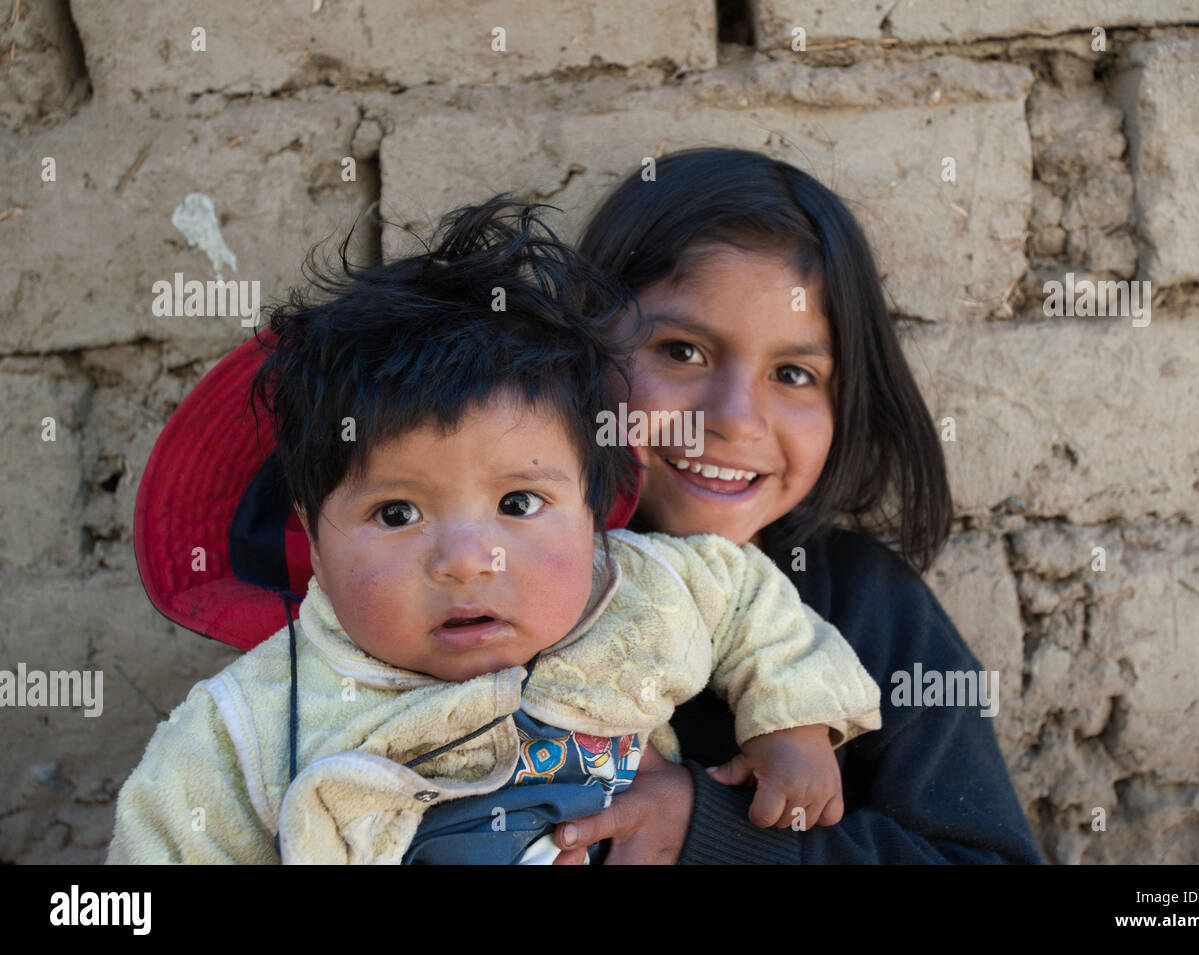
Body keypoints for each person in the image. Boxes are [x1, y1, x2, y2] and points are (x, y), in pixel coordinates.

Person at [106, 197, 882, 865]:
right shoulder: (255, 720)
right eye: (397, 513)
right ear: (314, 533)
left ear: (591, 500)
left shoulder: (640, 590)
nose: (469, 560)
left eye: (519, 503)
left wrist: (793, 727)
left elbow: (747, 596)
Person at [546, 147, 1045, 864]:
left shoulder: (867, 607)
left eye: (793, 372)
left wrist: (714, 836)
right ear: (581, 348)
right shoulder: (495, 565)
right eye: (682, 351)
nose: (736, 418)